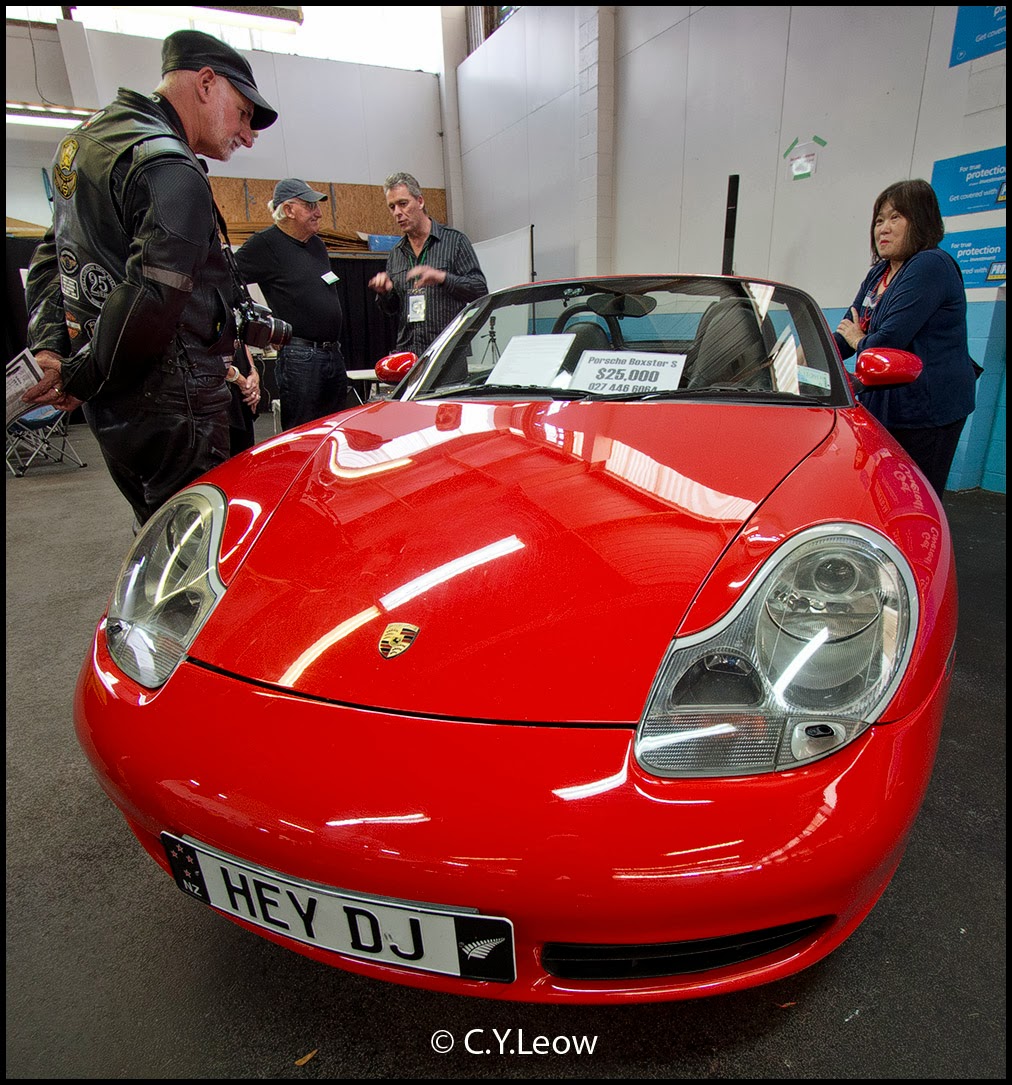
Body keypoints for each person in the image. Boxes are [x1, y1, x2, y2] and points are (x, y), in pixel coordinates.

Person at [21, 28, 274, 527]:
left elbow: (53, 256)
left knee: (158, 534)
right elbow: (152, 296)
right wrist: (78, 374)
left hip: (119, 405)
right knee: (199, 548)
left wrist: (54, 351)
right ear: (206, 83)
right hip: (174, 405)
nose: (247, 135)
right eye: (243, 114)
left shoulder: (89, 142)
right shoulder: (169, 165)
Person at [834, 178, 977, 496]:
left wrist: (859, 339)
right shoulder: (879, 272)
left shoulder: (931, 265)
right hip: (884, 405)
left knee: (913, 497)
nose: (882, 229)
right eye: (879, 220)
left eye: (895, 217)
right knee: (879, 494)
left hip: (927, 412)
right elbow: (846, 332)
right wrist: (803, 355)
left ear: (921, 221)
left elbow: (884, 343)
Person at [235, 178, 347, 431]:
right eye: (310, 206)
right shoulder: (264, 244)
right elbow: (228, 280)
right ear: (288, 210)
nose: (318, 213)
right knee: (303, 434)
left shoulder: (317, 245)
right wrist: (261, 322)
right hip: (300, 357)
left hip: (333, 353)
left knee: (335, 431)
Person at [368, 171, 488, 358]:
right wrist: (385, 292)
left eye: (403, 203)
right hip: (409, 356)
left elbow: (480, 290)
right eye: (392, 207)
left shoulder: (455, 241)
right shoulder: (396, 253)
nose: (397, 212)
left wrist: (442, 278)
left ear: (420, 201)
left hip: (448, 355)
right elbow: (392, 309)